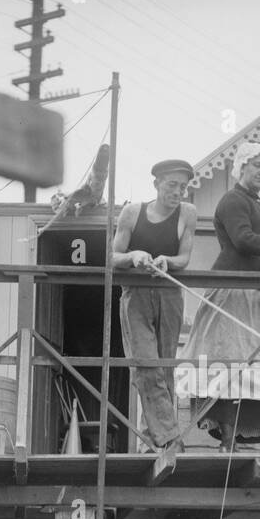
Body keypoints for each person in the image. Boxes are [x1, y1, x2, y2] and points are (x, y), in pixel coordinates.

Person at [177, 143, 260, 450]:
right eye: (257, 165)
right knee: (230, 362)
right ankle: (226, 438)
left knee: (258, 365)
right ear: (242, 167)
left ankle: (254, 434)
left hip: (257, 296)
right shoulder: (233, 200)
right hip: (234, 294)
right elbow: (243, 240)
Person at [111, 159, 198, 461]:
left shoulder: (188, 213)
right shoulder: (132, 213)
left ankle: (153, 440)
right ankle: (171, 438)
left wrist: (166, 261)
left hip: (170, 293)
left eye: (183, 187)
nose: (178, 192)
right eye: (172, 185)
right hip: (135, 296)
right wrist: (134, 255)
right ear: (156, 184)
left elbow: (184, 257)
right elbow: (113, 256)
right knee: (146, 365)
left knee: (164, 368)